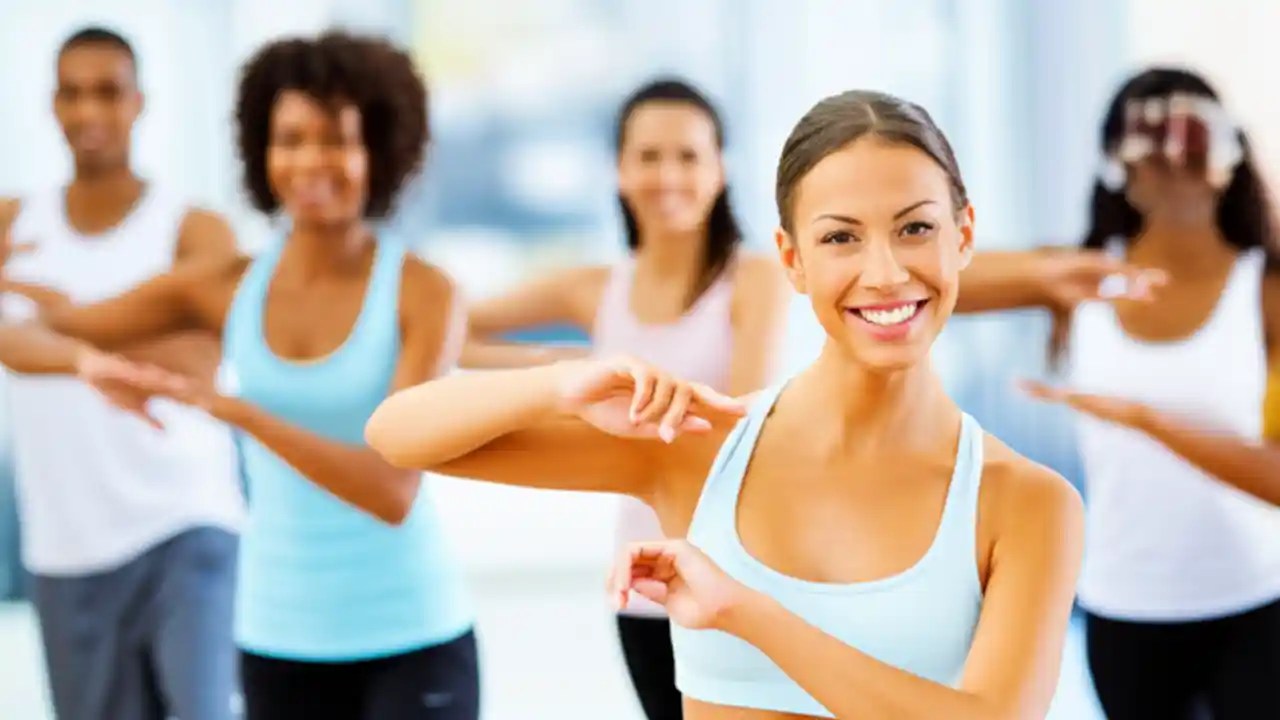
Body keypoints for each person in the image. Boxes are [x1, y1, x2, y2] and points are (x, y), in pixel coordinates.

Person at [367, 89, 1085, 719]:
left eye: (916, 228)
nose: (885, 271)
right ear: (793, 259)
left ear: (963, 236)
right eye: (841, 237)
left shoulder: (1026, 503)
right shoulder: (701, 449)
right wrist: (558, 383)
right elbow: (397, 434)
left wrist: (745, 612)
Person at [0, 32, 478, 720]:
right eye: (291, 139)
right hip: (274, 637)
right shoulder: (226, 286)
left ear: (378, 149)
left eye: (337, 139)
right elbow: (47, 327)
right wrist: (85, 361)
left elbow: (391, 487)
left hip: (411, 636)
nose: (313, 161)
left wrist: (234, 409)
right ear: (263, 152)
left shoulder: (423, 292)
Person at [462, 77, 789, 720]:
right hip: (641, 587)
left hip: (743, 579)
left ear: (720, 170)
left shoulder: (754, 279)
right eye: (648, 156)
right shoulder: (593, 288)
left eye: (688, 156)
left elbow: (740, 418)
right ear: (618, 171)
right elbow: (454, 330)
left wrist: (611, 386)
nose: (668, 174)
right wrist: (563, 370)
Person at [1021, 67, 1280, 719]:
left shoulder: (1268, 289)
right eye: (1149, 142)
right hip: (1123, 606)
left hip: (1256, 600)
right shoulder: (1076, 279)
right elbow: (939, 282)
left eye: (1191, 142)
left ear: (1228, 153)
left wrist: (1144, 419)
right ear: (1116, 164)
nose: (1171, 160)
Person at [0, 27, 243, 720]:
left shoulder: (193, 230)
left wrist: (65, 320)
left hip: (185, 525)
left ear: (139, 102)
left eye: (107, 91)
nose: (89, 112)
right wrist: (106, 347)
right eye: (72, 94)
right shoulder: (14, 227)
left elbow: (200, 363)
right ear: (52, 105)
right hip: (66, 546)